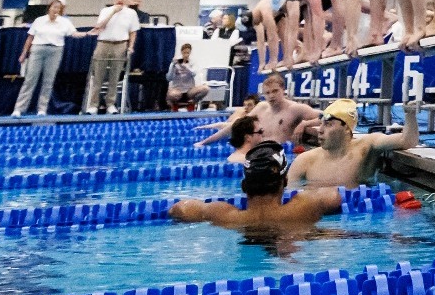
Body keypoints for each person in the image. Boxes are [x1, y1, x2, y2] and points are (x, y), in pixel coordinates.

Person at [169, 141, 343, 230]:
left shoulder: (223, 215)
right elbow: (333, 197)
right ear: (285, 182)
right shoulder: (304, 206)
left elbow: (179, 209)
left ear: (244, 186)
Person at [288, 98, 420, 188]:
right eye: (321, 124)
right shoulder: (304, 161)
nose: (320, 130)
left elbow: (407, 140)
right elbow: (288, 199)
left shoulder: (366, 146)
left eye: (328, 125)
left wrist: (410, 115)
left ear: (346, 128)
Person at [13, 0, 76, 117]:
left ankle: (42, 109)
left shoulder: (65, 22)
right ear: (49, 8)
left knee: (48, 81)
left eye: (58, 8)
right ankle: (19, 108)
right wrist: (24, 53)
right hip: (37, 49)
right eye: (54, 7)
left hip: (55, 50)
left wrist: (88, 33)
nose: (56, 10)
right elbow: (30, 38)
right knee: (30, 79)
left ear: (61, 10)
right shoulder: (39, 20)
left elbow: (74, 33)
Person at [82, 0, 140, 114]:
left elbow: (133, 32)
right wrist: (113, 12)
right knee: (98, 75)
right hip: (103, 42)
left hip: (120, 44)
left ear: (126, 0)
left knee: (115, 75)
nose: (120, 0)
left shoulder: (131, 13)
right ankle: (93, 105)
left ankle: (110, 104)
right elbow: (99, 26)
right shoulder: (105, 10)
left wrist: (131, 46)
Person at [253, 70, 324, 146]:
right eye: (267, 93)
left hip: (286, 153)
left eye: (275, 91)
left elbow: (326, 116)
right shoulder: (261, 108)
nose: (271, 96)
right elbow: (242, 122)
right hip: (263, 152)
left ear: (283, 90)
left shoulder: (295, 109)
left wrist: (305, 124)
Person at [165, 42, 209, 109]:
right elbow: (169, 78)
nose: (186, 55)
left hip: (189, 91)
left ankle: (193, 102)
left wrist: (186, 66)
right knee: (170, 94)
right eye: (184, 53)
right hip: (177, 91)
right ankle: (173, 106)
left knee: (206, 88)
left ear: (190, 53)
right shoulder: (175, 63)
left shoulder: (192, 63)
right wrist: (172, 66)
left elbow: (194, 74)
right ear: (181, 52)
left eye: (188, 53)